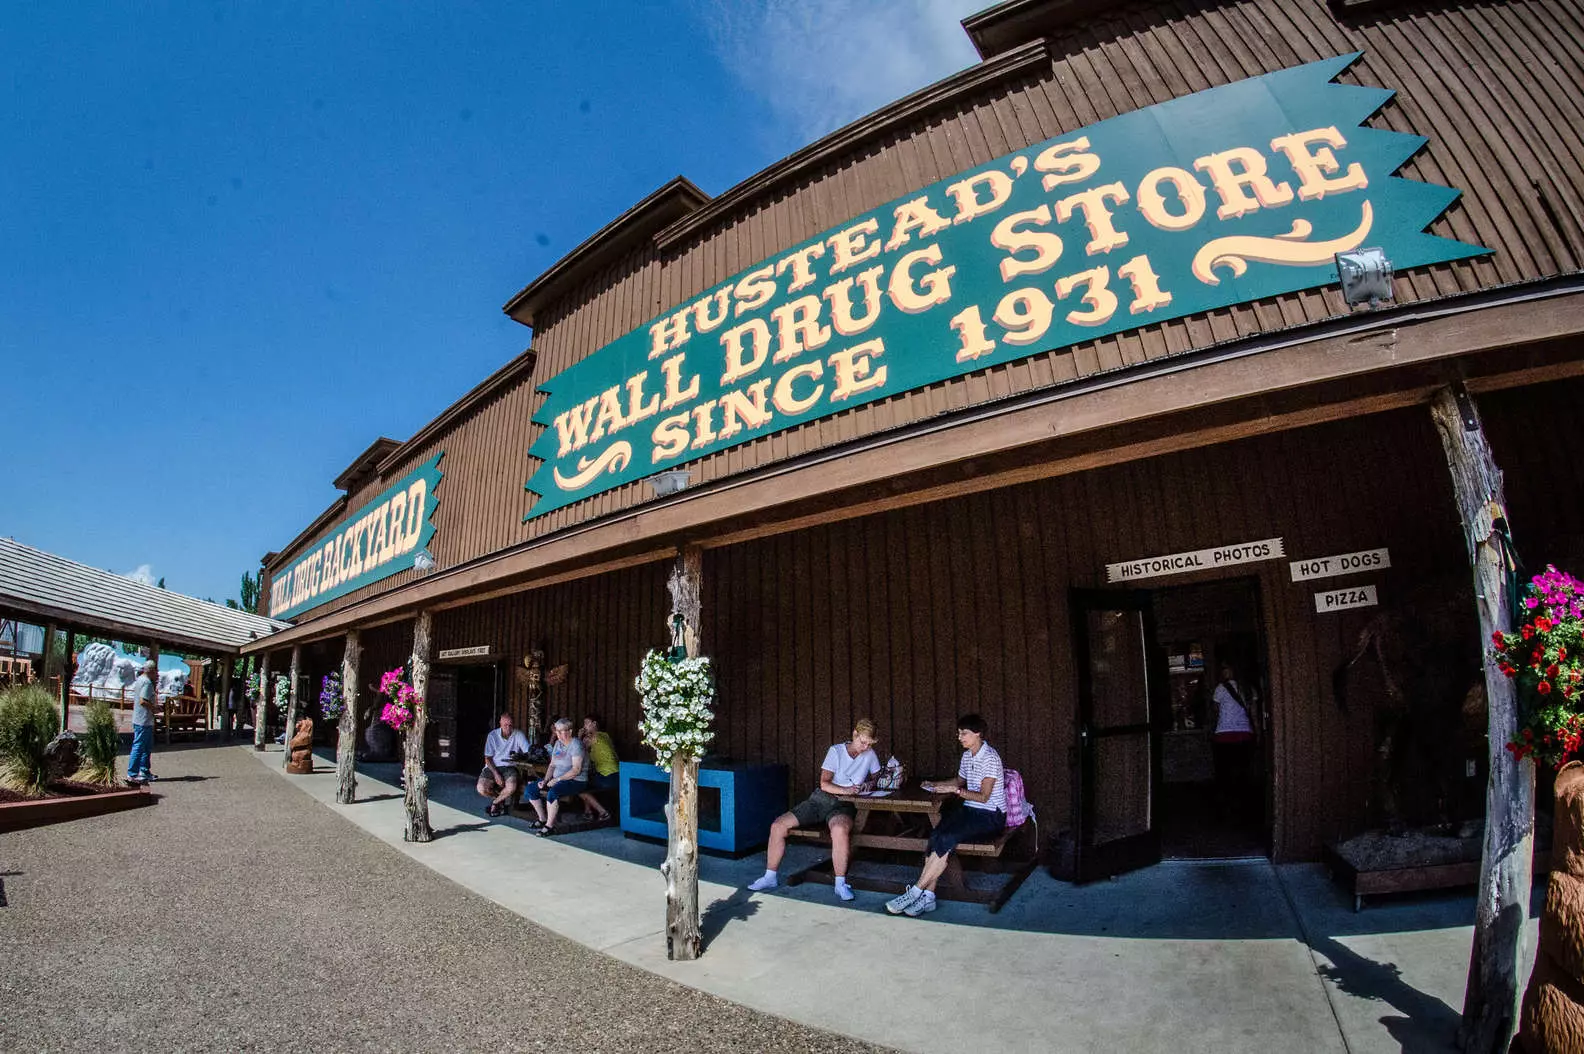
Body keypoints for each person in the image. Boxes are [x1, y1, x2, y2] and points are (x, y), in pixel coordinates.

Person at [748, 718, 881, 902]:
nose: (865, 747)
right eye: (863, 742)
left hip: (846, 803)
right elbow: (824, 783)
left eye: (869, 744)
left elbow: (878, 778)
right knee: (778, 826)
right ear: (855, 734)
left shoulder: (870, 754)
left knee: (840, 830)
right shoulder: (836, 751)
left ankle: (840, 884)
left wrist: (868, 784)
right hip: (821, 799)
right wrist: (845, 789)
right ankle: (769, 877)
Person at [886, 714, 1005, 918]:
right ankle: (929, 898)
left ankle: (916, 891)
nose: (960, 737)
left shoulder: (990, 758)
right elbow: (959, 780)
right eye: (959, 733)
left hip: (990, 816)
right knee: (936, 836)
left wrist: (955, 791)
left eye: (964, 733)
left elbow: (984, 797)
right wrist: (936, 786)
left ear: (978, 734)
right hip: (970, 811)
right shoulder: (968, 755)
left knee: (948, 838)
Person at [524, 717, 586, 835]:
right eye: (556, 730)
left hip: (576, 781)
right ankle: (542, 818)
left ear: (570, 731)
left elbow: (576, 770)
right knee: (531, 789)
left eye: (560, 731)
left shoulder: (576, 745)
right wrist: (546, 780)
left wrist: (557, 779)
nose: (556, 733)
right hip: (557, 779)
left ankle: (549, 826)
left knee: (553, 792)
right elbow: (552, 765)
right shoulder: (558, 743)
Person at [1211, 662, 1258, 818]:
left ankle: (1228, 806)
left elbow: (1217, 712)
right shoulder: (1249, 689)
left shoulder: (1219, 688)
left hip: (1224, 734)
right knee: (1243, 770)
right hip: (1244, 733)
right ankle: (1244, 806)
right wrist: (1258, 734)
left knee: (1225, 771)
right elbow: (1254, 715)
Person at [477, 711, 532, 817]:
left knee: (511, 787)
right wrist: (496, 774)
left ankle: (495, 803)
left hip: (509, 766)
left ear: (513, 724)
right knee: (481, 789)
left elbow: (528, 751)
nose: (508, 727)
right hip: (493, 766)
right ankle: (500, 800)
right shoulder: (492, 735)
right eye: (505, 725)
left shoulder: (518, 734)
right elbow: (488, 759)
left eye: (510, 725)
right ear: (500, 724)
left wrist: (524, 755)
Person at [577, 715, 619, 822]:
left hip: (607, 777)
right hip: (617, 775)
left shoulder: (593, 737)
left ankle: (602, 812)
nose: (584, 726)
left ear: (594, 724)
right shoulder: (605, 735)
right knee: (585, 783)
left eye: (586, 723)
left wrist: (579, 736)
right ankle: (588, 813)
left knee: (579, 786)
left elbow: (577, 751)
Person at [126, 660, 158, 786]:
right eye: (155, 670)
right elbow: (143, 701)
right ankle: (132, 773)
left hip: (143, 719)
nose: (157, 673)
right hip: (143, 720)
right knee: (139, 746)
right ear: (150, 670)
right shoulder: (147, 682)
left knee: (146, 747)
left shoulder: (139, 680)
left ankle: (144, 771)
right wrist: (154, 708)